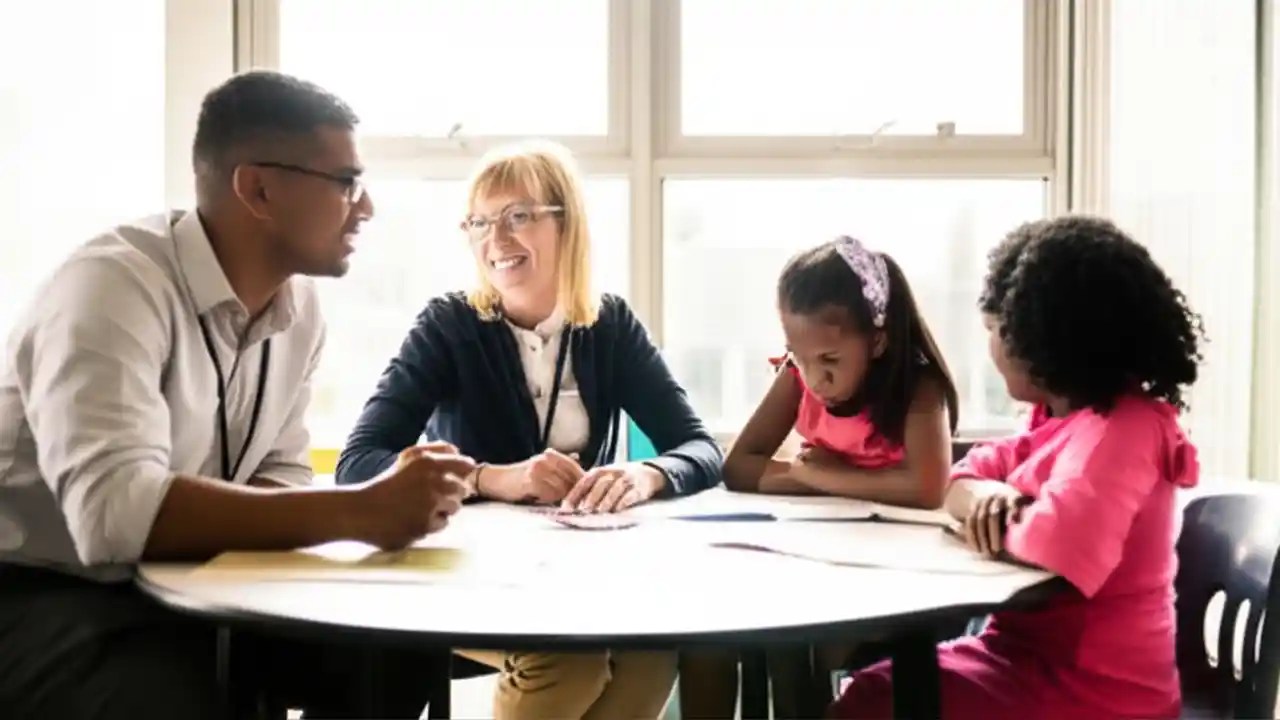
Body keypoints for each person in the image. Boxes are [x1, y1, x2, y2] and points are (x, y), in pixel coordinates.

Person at [0, 70, 472, 720]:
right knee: (174, 692)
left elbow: (278, 474)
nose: (366, 207)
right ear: (258, 188)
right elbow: (113, 514)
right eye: (346, 183)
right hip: (40, 590)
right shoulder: (110, 288)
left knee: (392, 643)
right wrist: (359, 509)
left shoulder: (299, 310)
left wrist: (366, 514)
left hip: (181, 578)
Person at [336, 139, 722, 719]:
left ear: (567, 226)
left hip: (576, 574)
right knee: (568, 659)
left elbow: (700, 448)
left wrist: (647, 475)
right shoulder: (447, 325)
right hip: (465, 573)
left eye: (519, 216)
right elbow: (359, 461)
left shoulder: (610, 324)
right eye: (480, 222)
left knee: (651, 651)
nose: (497, 239)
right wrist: (492, 479)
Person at [830, 215, 1205, 719]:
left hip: (1097, 694)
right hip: (1024, 658)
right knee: (873, 692)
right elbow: (969, 473)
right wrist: (982, 497)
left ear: (1040, 335)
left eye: (995, 330)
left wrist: (991, 518)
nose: (990, 348)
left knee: (875, 704)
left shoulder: (1123, 429)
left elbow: (1062, 545)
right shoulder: (1060, 418)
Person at [678, 236, 959, 718]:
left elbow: (927, 488)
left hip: (900, 568)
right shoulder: (799, 375)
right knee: (742, 630)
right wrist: (810, 475)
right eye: (798, 356)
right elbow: (740, 465)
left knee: (818, 641)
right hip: (816, 551)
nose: (813, 378)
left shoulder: (917, 387)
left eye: (829, 361)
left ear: (877, 339)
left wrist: (827, 478)